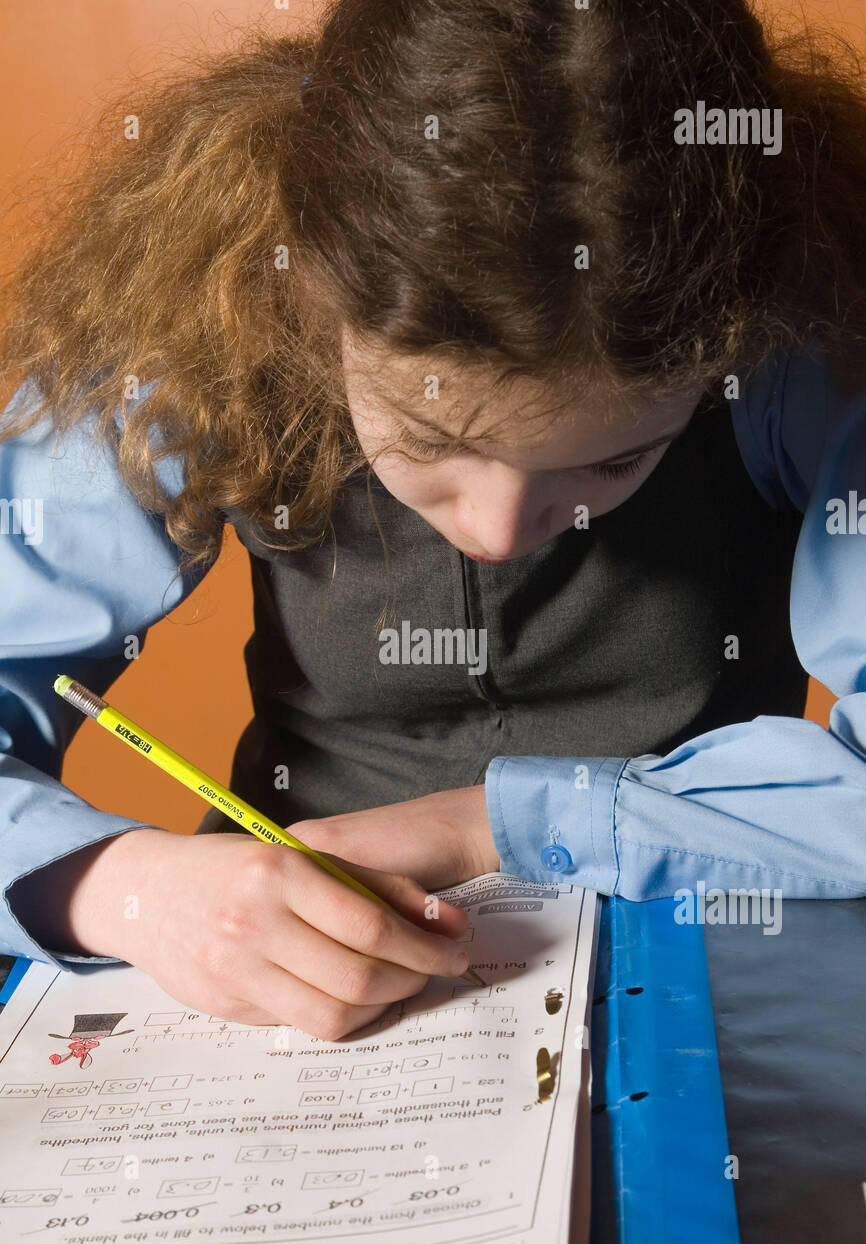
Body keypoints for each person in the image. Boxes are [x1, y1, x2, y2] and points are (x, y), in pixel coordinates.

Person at [1, 0, 864, 1042]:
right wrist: (117, 886)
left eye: (614, 456)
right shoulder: (209, 322)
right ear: (313, 291)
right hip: (286, 987)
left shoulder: (816, 323)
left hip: (704, 955)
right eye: (430, 436)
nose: (499, 531)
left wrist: (484, 829)